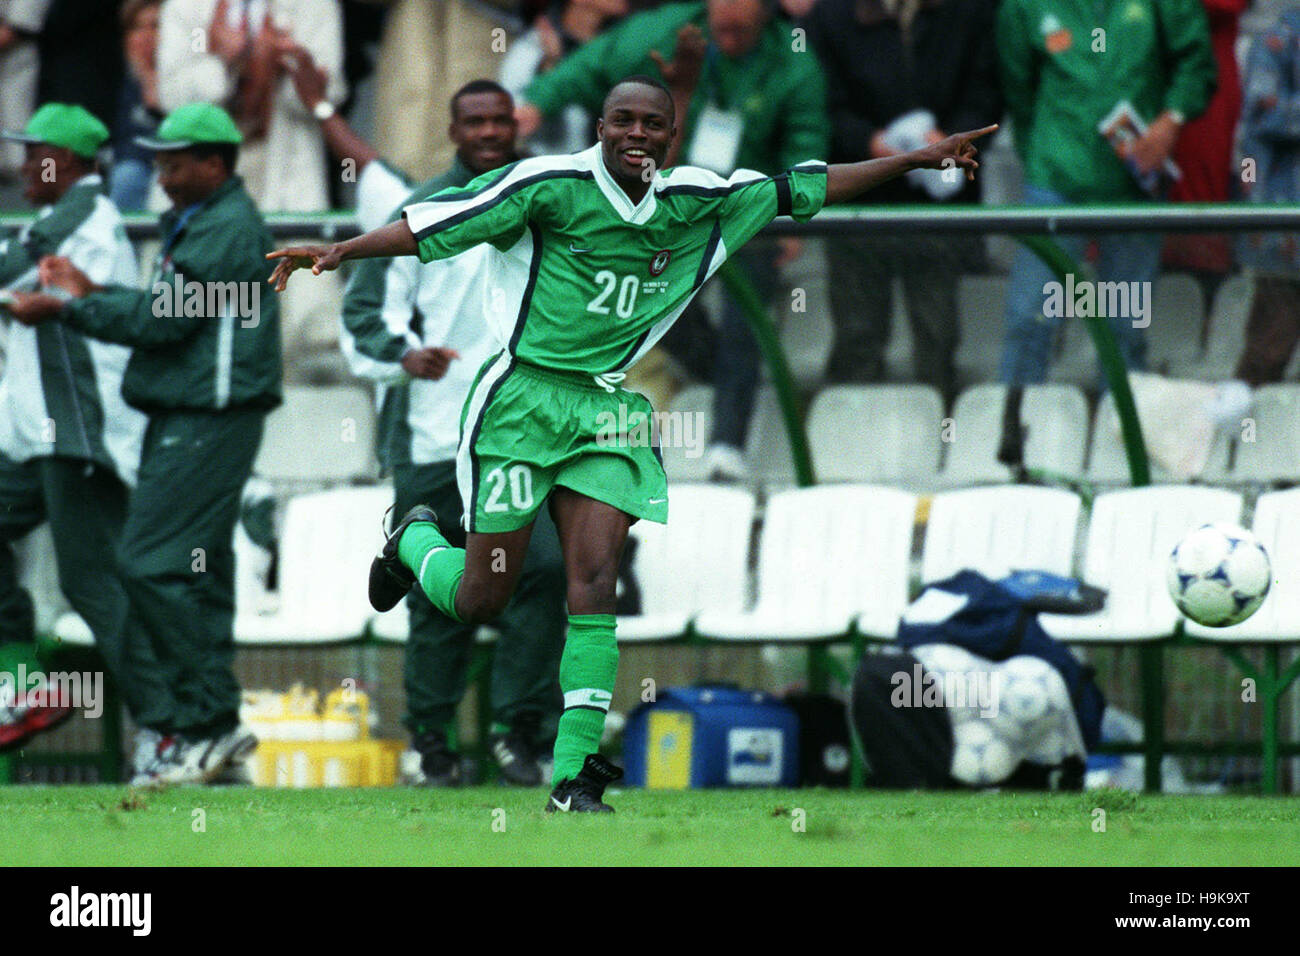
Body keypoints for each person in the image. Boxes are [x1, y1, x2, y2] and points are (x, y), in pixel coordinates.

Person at [266, 76, 994, 812]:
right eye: (623, 121)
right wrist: (341, 250)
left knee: (594, 581)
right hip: (522, 399)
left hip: (607, 407)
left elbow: (805, 185)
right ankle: (416, 541)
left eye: (653, 123)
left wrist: (916, 160)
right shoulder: (552, 185)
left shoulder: (698, 201)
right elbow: (437, 225)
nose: (637, 134)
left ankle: (573, 776)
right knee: (485, 596)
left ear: (670, 136)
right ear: (601, 127)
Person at [7, 102, 282, 786]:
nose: (159, 173)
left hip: (190, 417)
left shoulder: (222, 230)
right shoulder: (199, 223)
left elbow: (163, 322)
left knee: (146, 567)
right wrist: (85, 294)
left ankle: (195, 725)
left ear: (216, 164)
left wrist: (72, 303)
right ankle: (205, 733)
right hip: (176, 414)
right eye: (157, 159)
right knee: (193, 572)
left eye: (174, 161)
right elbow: (166, 313)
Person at [340, 79, 566, 787]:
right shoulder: (422, 211)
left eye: (501, 119)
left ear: (515, 124)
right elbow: (363, 317)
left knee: (544, 572)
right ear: (453, 128)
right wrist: (407, 356)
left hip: (520, 436)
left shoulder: (549, 199)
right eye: (477, 121)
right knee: (439, 594)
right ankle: (433, 745)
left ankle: (515, 734)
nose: (491, 131)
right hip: (435, 436)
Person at [514, 0, 829, 481]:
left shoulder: (794, 61)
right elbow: (592, 64)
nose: (729, 36)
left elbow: (805, 139)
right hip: (672, 206)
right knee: (660, 311)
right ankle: (717, 374)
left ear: (765, 15)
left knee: (747, 322)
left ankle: (727, 445)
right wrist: (538, 101)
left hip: (745, 213)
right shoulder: (666, 31)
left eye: (740, 32)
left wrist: (796, 217)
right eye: (722, 27)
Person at [0, 102, 145, 747]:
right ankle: (19, 685)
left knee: (92, 583)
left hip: (77, 426)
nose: (25, 164)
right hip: (40, 433)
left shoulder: (83, 211)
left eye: (37, 152)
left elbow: (8, 270)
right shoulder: (68, 216)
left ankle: (175, 727)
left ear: (75, 162)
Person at [996, 0, 1214, 387]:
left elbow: (1197, 63)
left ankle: (1120, 437)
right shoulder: (1024, 5)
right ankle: (1010, 437)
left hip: (1134, 182)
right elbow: (1017, 86)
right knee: (1029, 317)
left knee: (1124, 328)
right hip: (1055, 180)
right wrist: (1044, 158)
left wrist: (1171, 120)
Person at [802, 0, 1002, 397]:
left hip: (939, 211)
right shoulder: (829, 17)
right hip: (858, 202)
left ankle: (940, 441)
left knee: (937, 335)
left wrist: (955, 138)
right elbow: (818, 104)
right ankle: (849, 442)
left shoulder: (970, 12)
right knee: (857, 336)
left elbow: (989, 94)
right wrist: (867, 143)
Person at [155, 0, 345, 211]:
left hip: (283, 165)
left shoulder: (314, 4)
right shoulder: (185, 6)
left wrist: (285, 66)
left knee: (290, 241)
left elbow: (332, 94)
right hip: (206, 168)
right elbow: (171, 98)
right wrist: (223, 62)